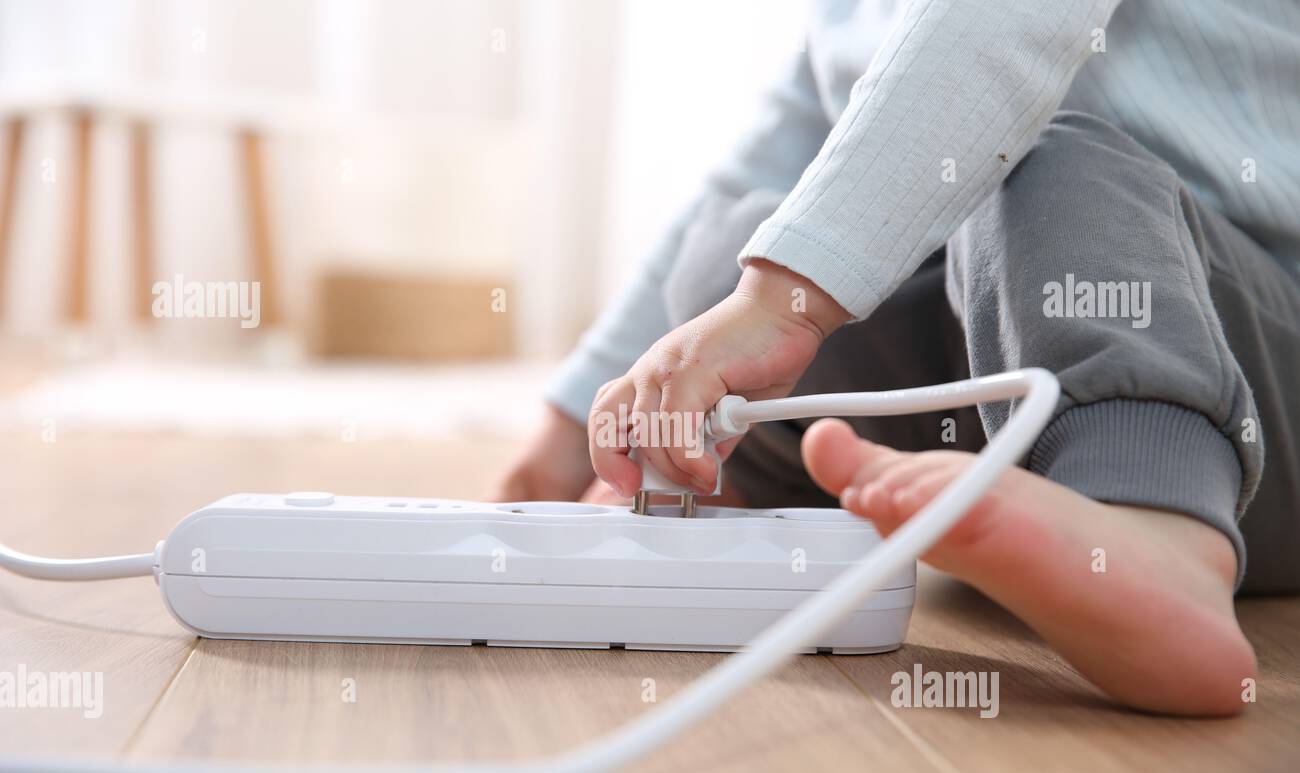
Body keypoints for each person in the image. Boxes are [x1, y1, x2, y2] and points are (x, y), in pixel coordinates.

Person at [493, 0, 1300, 716]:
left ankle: (1159, 530)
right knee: (719, 258)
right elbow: (802, 145)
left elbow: (1000, 28)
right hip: (1009, 349)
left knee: (1042, 164)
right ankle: (737, 477)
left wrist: (779, 303)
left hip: (1243, 367)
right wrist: (569, 432)